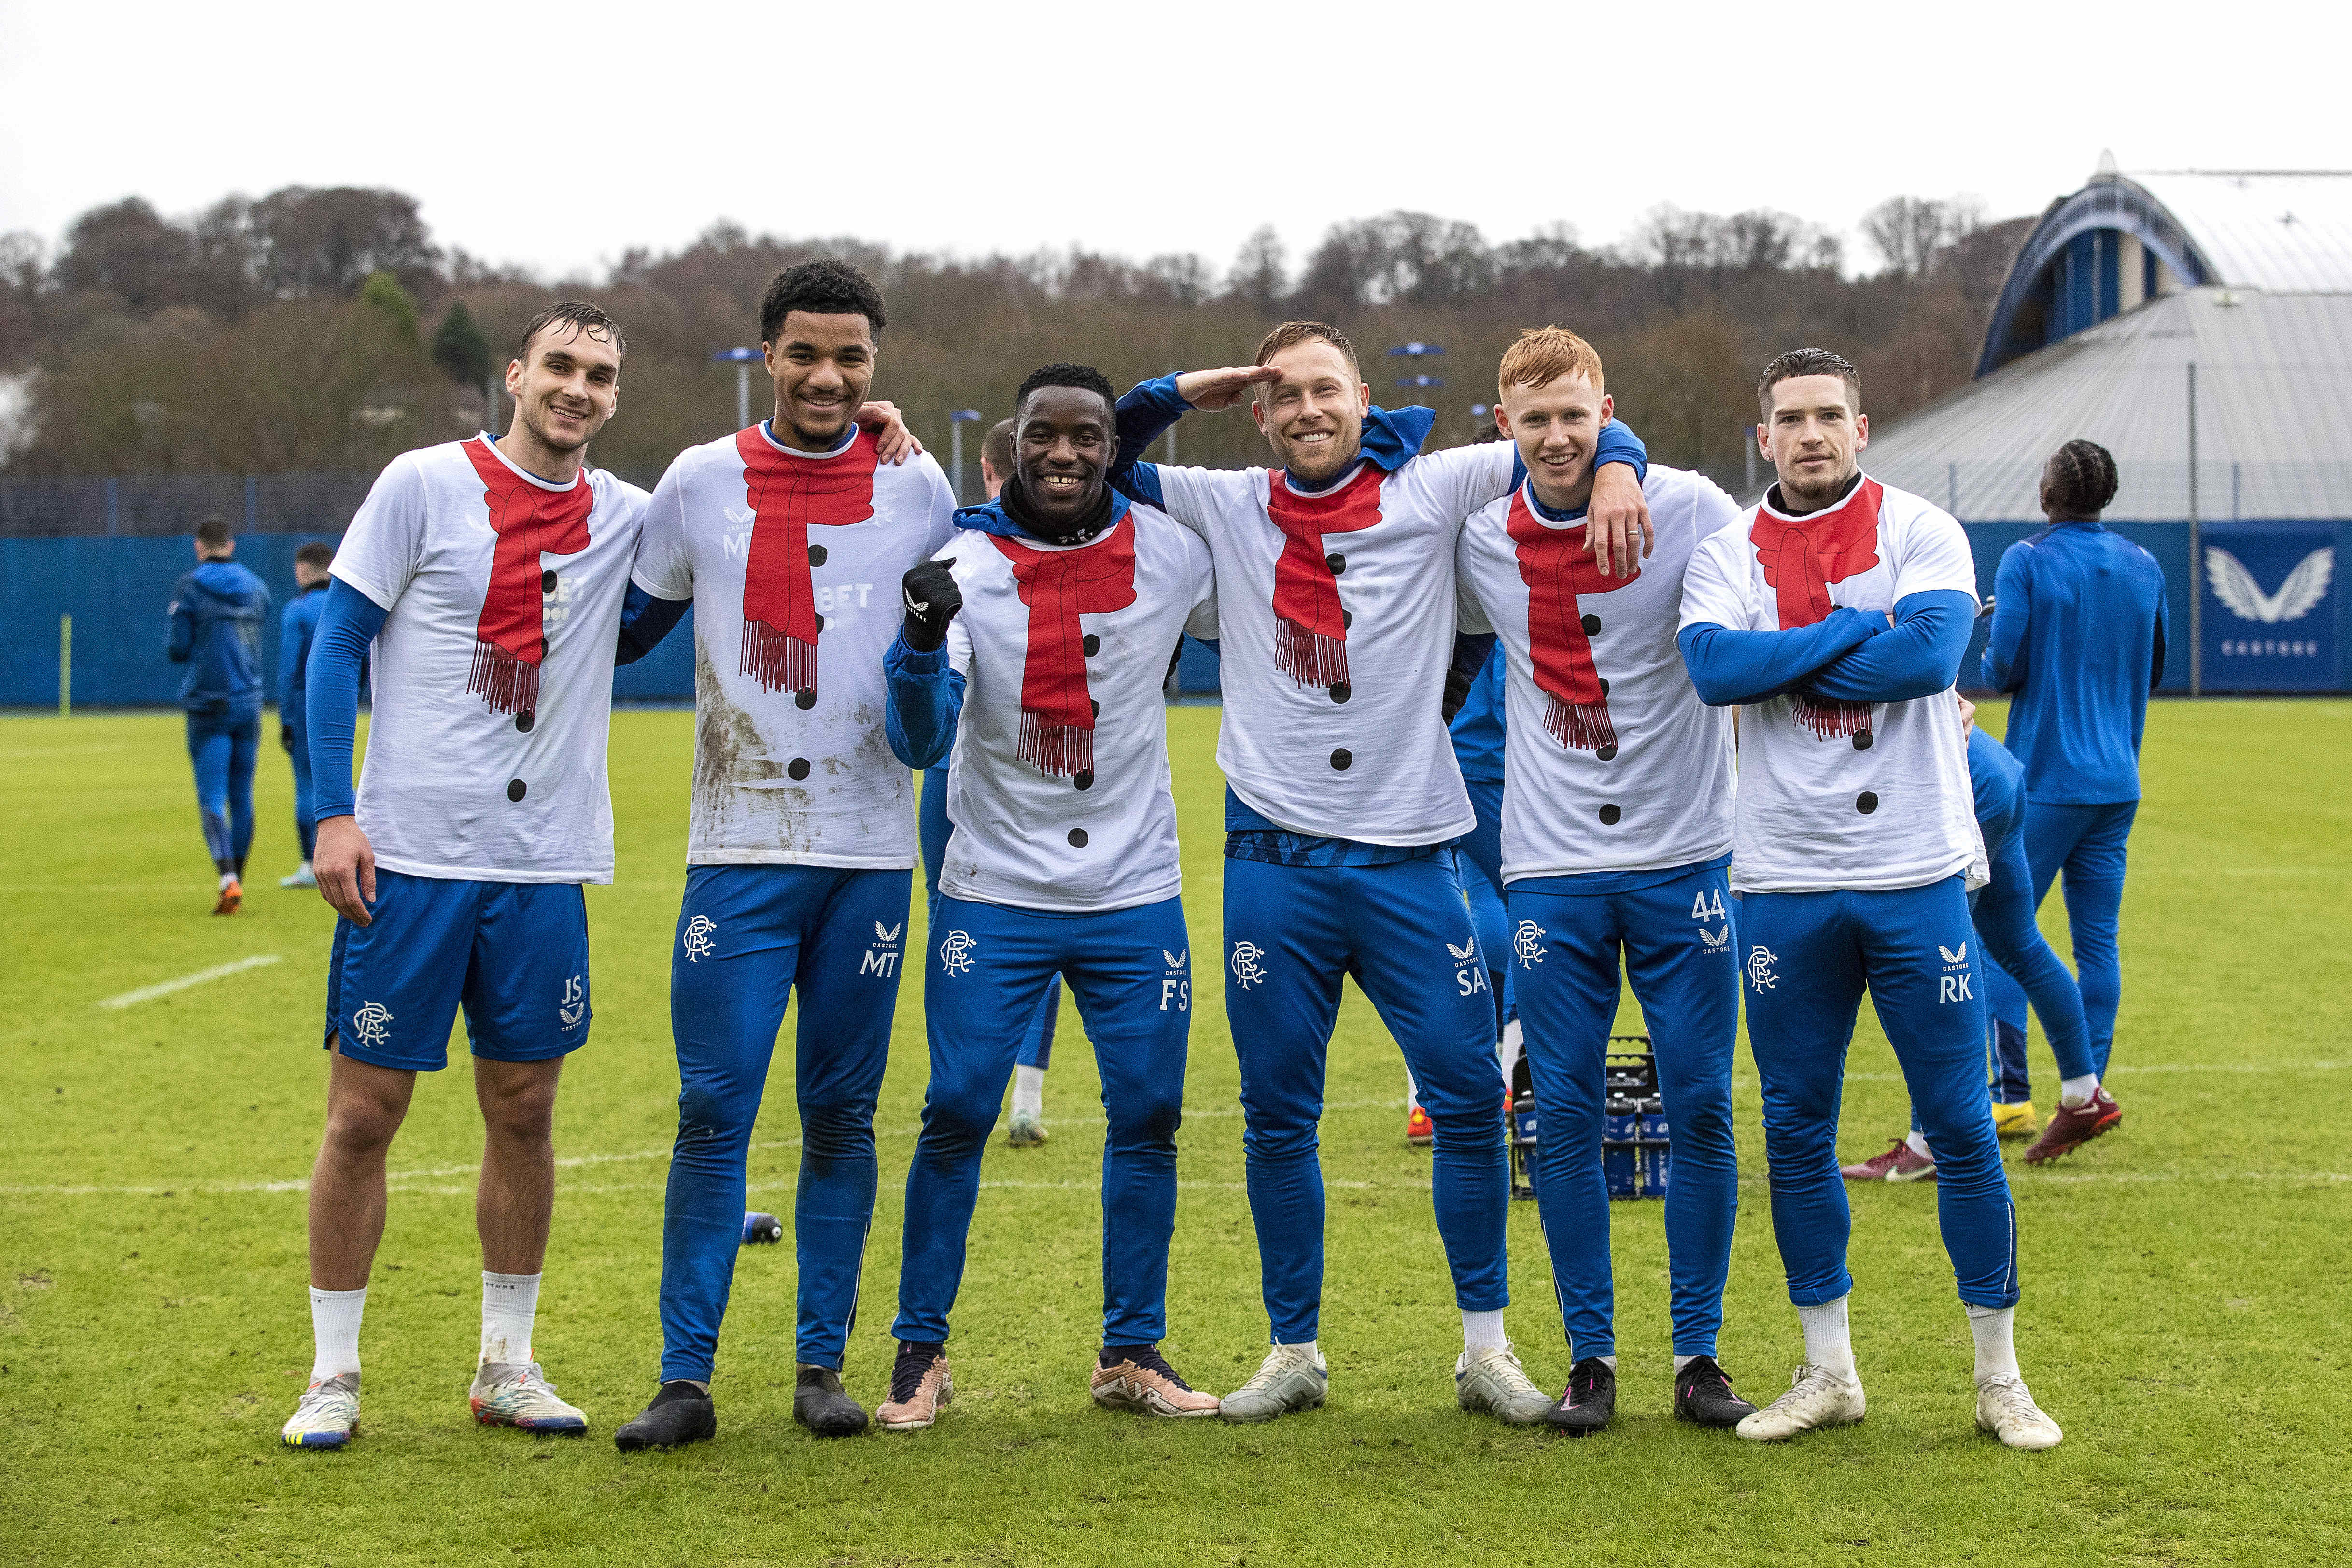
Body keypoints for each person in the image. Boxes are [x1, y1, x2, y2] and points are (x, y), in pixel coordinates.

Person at [1109, 322, 1652, 1426]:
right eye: (1282, 396)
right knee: (1275, 1113)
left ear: (1361, 395)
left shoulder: (1436, 481)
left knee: (1465, 1102)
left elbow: (1572, 430)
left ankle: (1484, 1349)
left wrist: (1616, 470)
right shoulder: (1228, 498)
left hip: (1410, 859)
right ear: (1259, 413)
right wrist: (1180, 389)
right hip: (1274, 863)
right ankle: (1292, 1345)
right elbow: (1096, 451)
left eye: (1324, 388)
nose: (1307, 409)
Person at [1676, 346, 2062, 1450]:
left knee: (1954, 1122)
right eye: (1787, 418)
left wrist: (1785, 656)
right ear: (1762, 437)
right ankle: (1826, 1368)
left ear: (1860, 426)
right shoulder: (1724, 549)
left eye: (1826, 416)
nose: (1807, 433)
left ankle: (1996, 1376)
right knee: (1793, 1127)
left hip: (1911, 870)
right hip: (1782, 877)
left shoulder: (1921, 530)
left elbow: (1928, 654)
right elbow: (1710, 670)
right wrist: (1856, 629)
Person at [280, 302, 648, 1450]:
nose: (576, 387)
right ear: (515, 373)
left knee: (525, 1107)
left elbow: (755, 513)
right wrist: (330, 811)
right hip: (413, 855)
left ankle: (507, 1360)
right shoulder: (421, 482)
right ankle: (333, 1370)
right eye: (559, 365)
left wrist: (883, 436)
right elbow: (336, 644)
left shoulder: (630, 517)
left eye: (598, 373)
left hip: (541, 867)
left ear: (613, 394)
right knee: (363, 1114)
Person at [608, 258, 937, 1451]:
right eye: (804, 352)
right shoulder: (697, 480)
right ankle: (683, 1377)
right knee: (712, 1108)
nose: (826, 375)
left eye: (850, 355)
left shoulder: (916, 485)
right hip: (736, 844)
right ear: (765, 353)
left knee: (841, 1111)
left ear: (875, 363)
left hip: (866, 850)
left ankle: (819, 1364)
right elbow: (627, 621)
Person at [877, 362, 1221, 1429]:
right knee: (957, 1109)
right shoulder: (961, 565)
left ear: (1113, 446)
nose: (1063, 454)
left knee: (1150, 1113)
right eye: (1042, 436)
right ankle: (918, 1355)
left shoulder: (1174, 553)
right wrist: (920, 646)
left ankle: (1130, 1348)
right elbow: (919, 742)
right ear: (1008, 445)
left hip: (1133, 888)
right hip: (996, 888)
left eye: (1085, 435)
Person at [1456, 327, 1752, 1433]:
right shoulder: (1478, 531)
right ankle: (1589, 1356)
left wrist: (1625, 459)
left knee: (1702, 1106)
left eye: (1577, 416)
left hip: (1683, 857)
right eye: (1533, 419)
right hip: (1552, 865)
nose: (1557, 436)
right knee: (1563, 1114)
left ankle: (1697, 1352)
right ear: (1502, 428)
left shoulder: (1688, 505)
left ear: (1605, 409)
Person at [1983, 439, 2160, 1163]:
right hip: (2117, 780)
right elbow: (2149, 670)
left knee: (2001, 932)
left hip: (2045, 778)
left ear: (2046, 492)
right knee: (2097, 943)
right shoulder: (2144, 565)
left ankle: (2008, 1094)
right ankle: (2083, 1089)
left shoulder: (2023, 560)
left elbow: (2000, 667)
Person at [1842, 702, 2105, 1181]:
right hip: (1992, 769)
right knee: (2018, 945)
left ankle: (1929, 1143)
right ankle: (2082, 1093)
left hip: (1964, 782)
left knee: (1933, 961)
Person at [919, 414, 1071, 1149]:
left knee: (962, 925)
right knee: (985, 925)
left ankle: (993, 1094)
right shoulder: (959, 551)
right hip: (970, 768)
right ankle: (1014, 1096)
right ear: (990, 474)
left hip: (995, 773)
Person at [167, 516, 270, 914]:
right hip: (249, 702)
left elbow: (177, 648)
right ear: (232, 545)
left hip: (209, 702)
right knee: (242, 793)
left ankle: (227, 879)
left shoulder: (190, 586)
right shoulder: (258, 587)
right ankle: (238, 879)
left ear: (199, 547)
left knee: (212, 794)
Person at [277, 542, 336, 889]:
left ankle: (309, 861)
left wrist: (286, 718)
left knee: (306, 784)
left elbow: (289, 669)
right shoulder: (343, 604)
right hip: (339, 700)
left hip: (304, 702)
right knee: (339, 778)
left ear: (302, 570)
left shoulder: (297, 611)